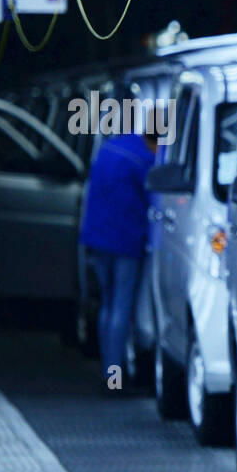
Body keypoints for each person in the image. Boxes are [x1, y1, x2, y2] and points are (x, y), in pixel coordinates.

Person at [78, 128, 156, 390]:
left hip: (97, 238)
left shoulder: (111, 147)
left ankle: (109, 371)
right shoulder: (146, 160)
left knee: (107, 306)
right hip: (125, 241)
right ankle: (114, 379)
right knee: (121, 309)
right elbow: (155, 200)